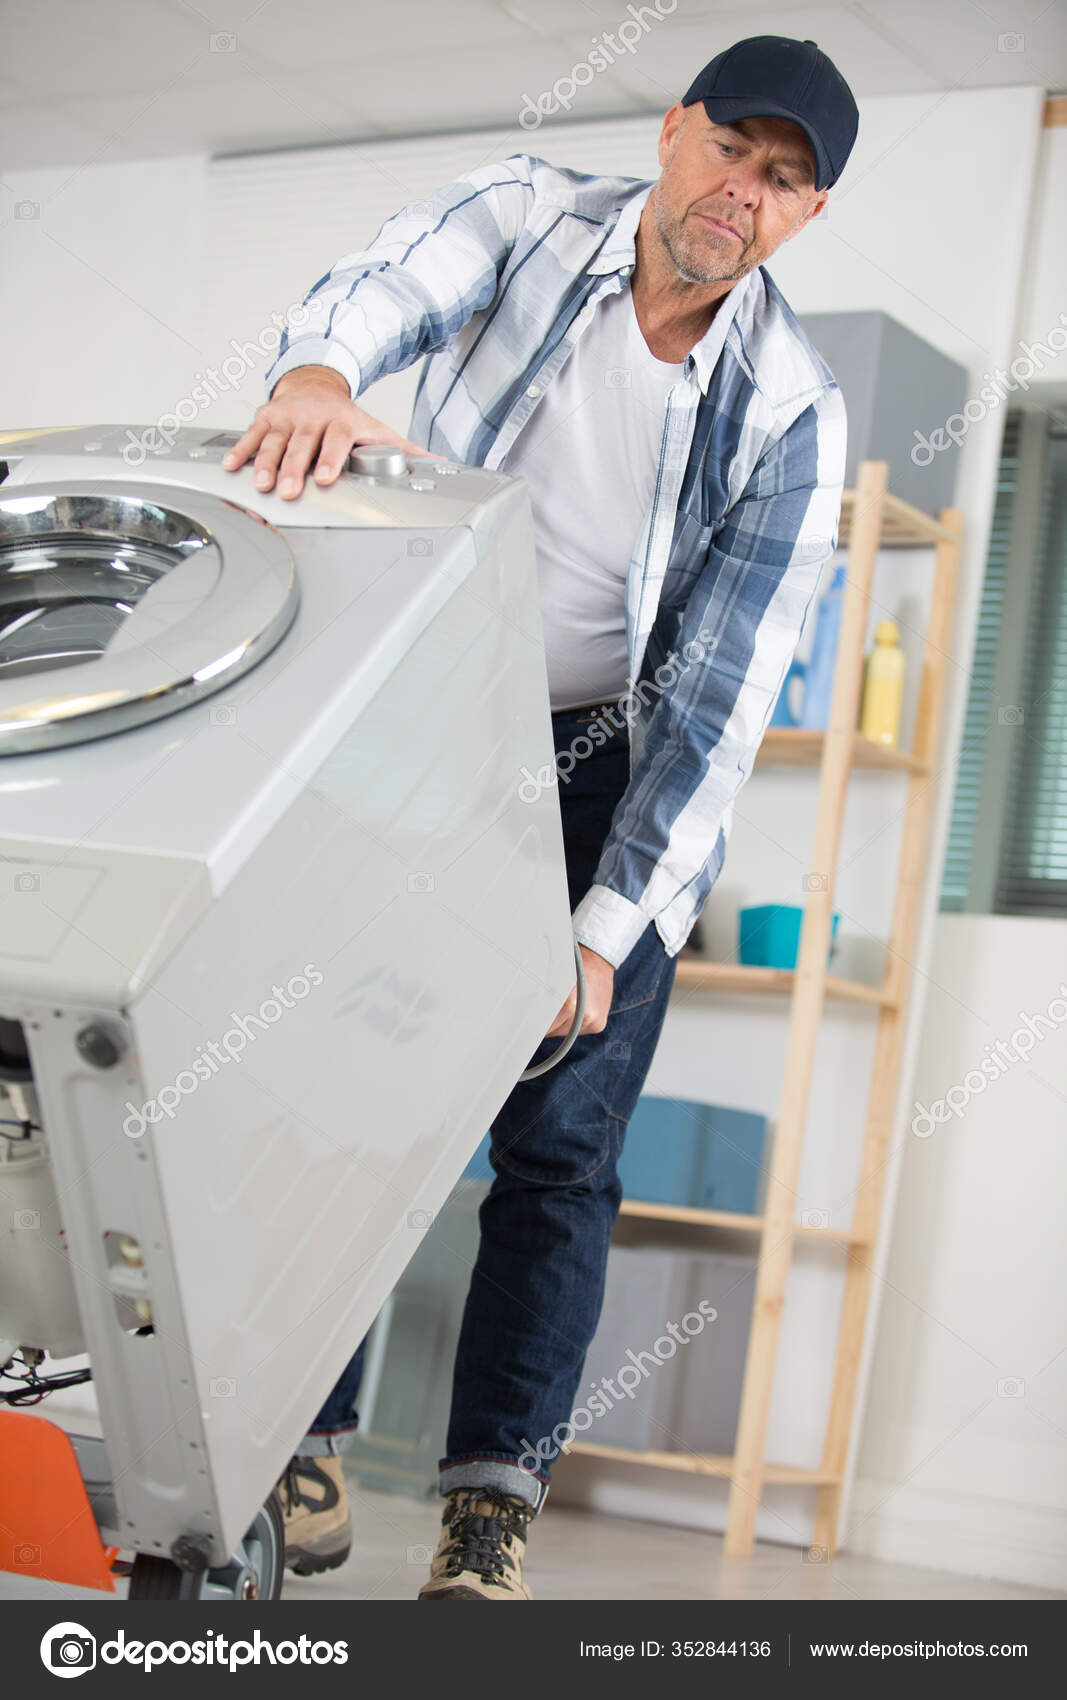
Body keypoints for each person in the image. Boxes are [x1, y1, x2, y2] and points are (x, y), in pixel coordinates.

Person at [224, 34, 858, 1599]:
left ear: (806, 216)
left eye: (783, 181)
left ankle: (484, 1514)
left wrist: (602, 931)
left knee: (560, 1149)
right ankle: (296, 1442)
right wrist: (318, 372)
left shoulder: (793, 409)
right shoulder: (524, 215)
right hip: (423, 722)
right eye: (730, 149)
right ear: (672, 131)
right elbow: (384, 284)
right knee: (346, 1094)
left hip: (606, 774)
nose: (741, 193)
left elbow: (719, 701)